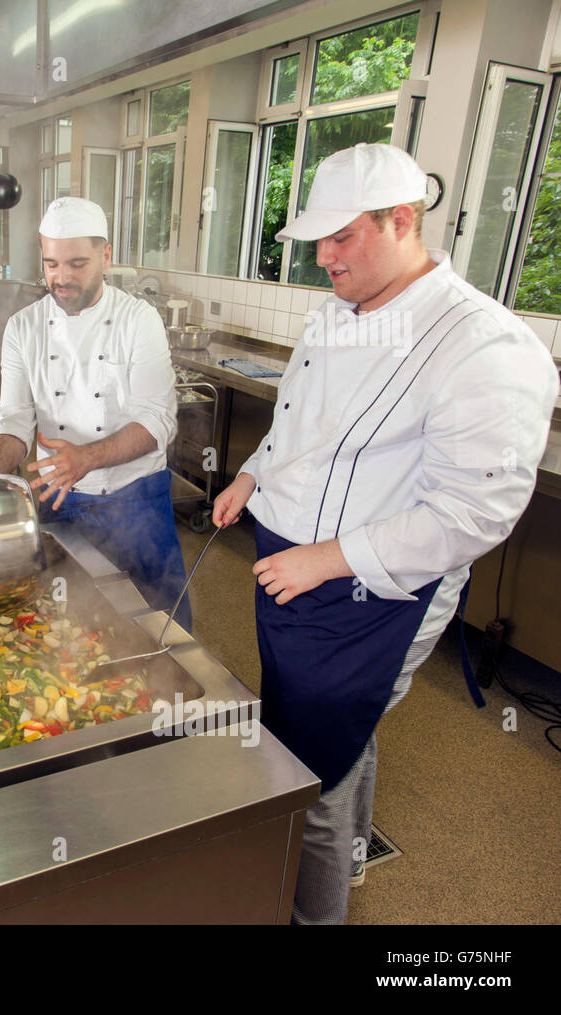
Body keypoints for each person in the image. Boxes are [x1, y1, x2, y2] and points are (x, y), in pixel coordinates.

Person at [211, 142, 558, 924]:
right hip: (292, 568)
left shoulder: (484, 343)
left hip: (371, 591)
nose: (323, 258)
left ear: (402, 221)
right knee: (318, 725)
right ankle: (354, 853)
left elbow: (474, 513)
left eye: (341, 238)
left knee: (310, 768)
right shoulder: (338, 314)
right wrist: (252, 475)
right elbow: (300, 427)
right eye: (318, 241)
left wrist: (324, 561)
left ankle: (314, 909)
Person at [0, 196, 190, 627]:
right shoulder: (24, 327)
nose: (62, 278)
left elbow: (157, 420)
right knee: (71, 628)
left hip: (136, 503)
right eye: (52, 264)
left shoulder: (139, 320)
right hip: (62, 501)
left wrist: (86, 458)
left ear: (106, 255)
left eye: (77, 263)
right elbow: (15, 417)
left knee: (162, 631)